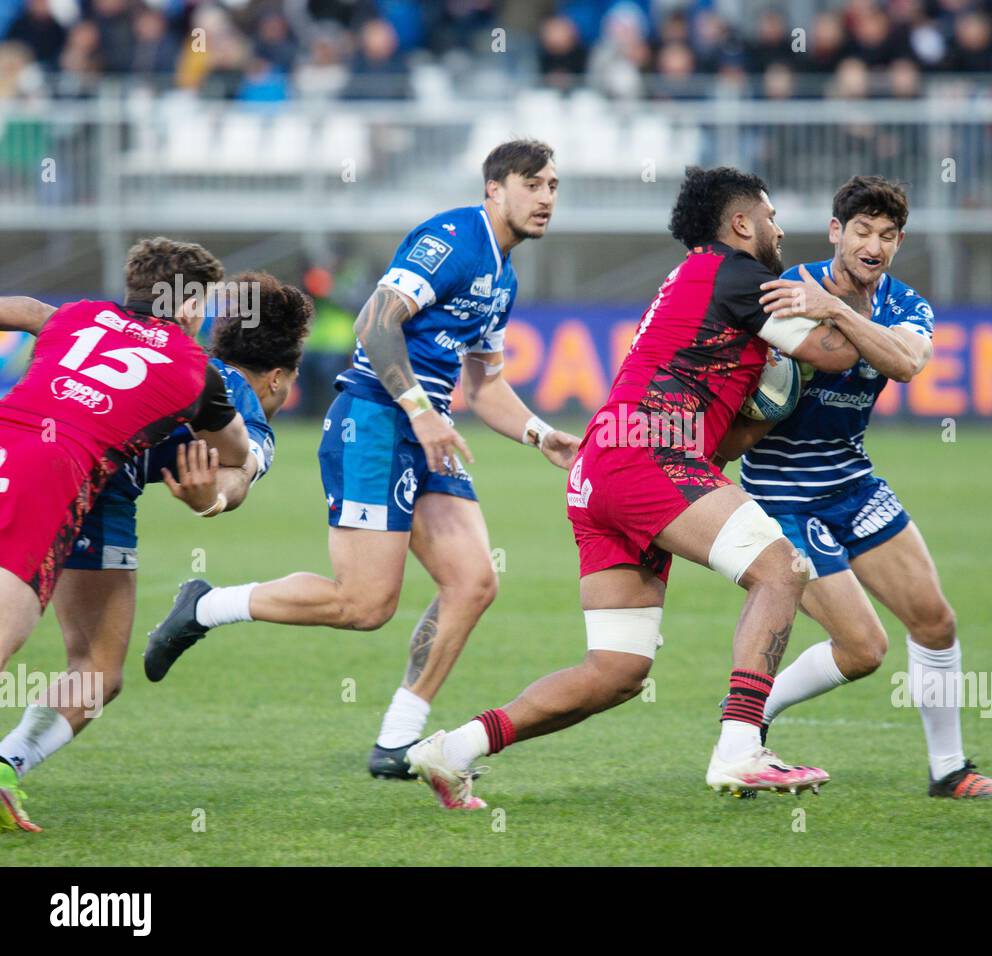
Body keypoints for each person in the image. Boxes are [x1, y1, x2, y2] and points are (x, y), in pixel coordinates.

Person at [402, 166, 888, 810]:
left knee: (617, 670)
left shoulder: (702, 278)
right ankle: (741, 748)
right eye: (769, 216)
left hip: (605, 466)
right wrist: (841, 300)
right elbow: (834, 352)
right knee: (782, 569)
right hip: (646, 455)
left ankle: (452, 750)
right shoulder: (738, 275)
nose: (778, 228)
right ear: (740, 223)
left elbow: (727, 437)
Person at [143, 141, 583, 783]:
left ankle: (398, 740)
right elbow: (375, 325)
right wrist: (421, 411)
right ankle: (204, 606)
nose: (547, 198)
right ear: (494, 188)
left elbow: (485, 387)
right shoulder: (453, 238)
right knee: (365, 604)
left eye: (554, 186)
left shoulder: (504, 278)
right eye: (534, 184)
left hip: (428, 431)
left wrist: (541, 434)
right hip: (375, 420)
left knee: (474, 582)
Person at [720, 176, 992, 800]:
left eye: (887, 236)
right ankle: (751, 724)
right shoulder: (782, 288)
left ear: (898, 242)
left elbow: (908, 364)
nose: (873, 244)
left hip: (851, 479)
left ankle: (950, 772)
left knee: (935, 621)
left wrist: (833, 311)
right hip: (780, 490)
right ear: (836, 231)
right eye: (861, 230)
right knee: (861, 650)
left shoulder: (905, 305)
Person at [0, 273, 312, 824]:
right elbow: (237, 475)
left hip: (55, 459)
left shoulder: (152, 341)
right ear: (280, 377)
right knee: (96, 671)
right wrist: (210, 501)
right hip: (84, 482)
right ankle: (8, 761)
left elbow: (33, 312)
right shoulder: (236, 402)